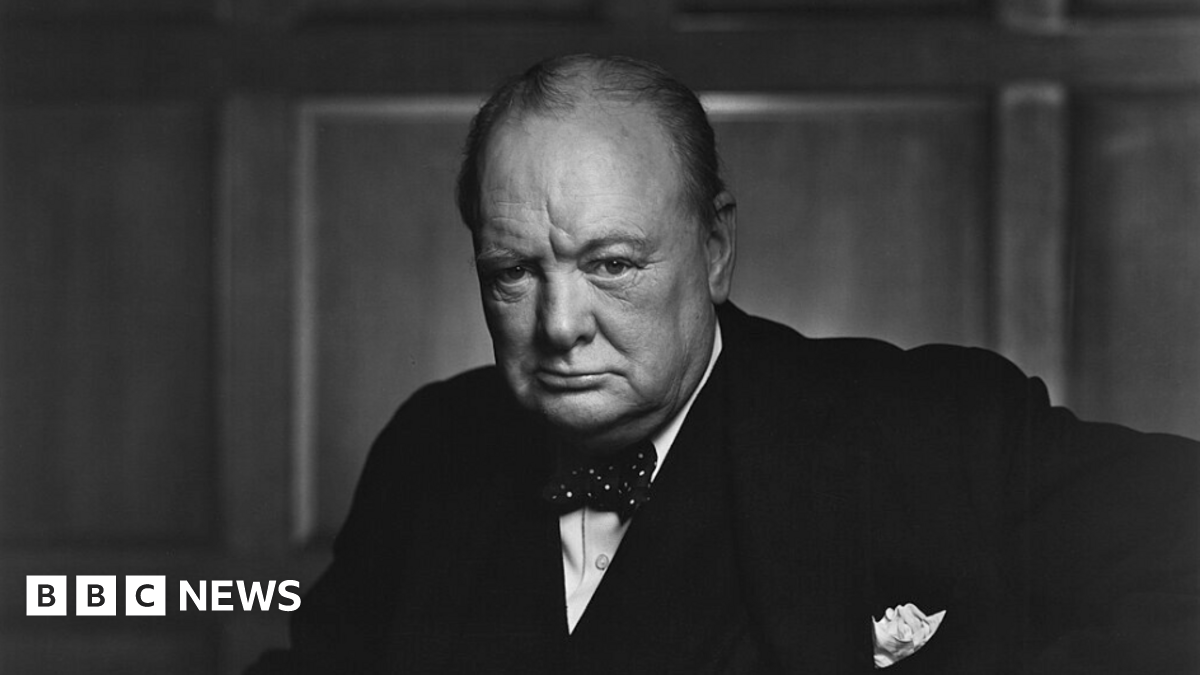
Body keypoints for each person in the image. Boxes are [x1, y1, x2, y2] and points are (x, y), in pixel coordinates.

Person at [248, 54, 1199, 674]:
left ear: (713, 250)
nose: (560, 325)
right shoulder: (429, 449)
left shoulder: (915, 423)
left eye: (611, 264)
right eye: (511, 274)